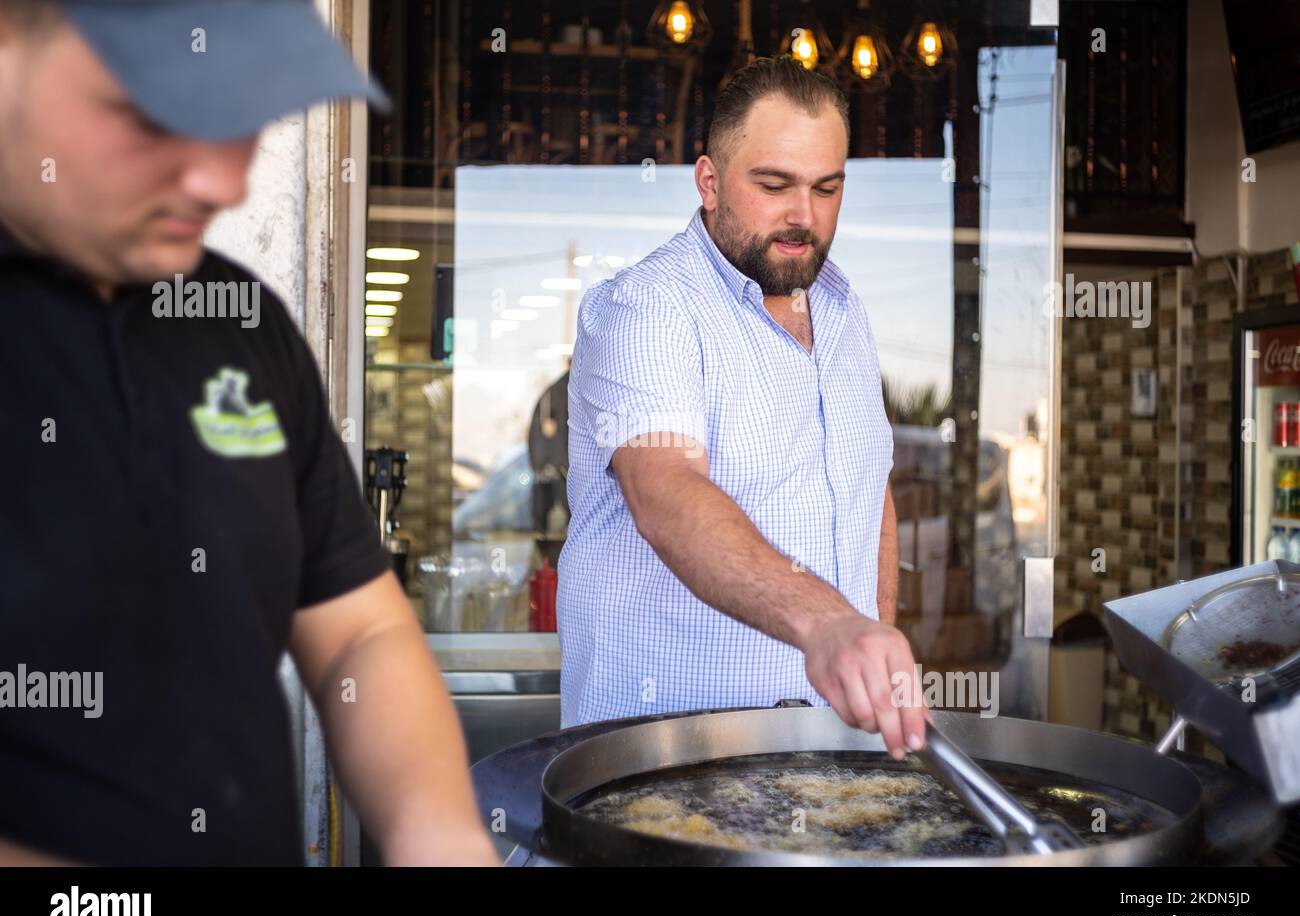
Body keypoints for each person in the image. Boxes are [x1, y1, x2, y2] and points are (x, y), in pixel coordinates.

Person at [0, 0, 496, 865]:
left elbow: (358, 634)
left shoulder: (237, 321)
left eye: (241, 120)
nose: (223, 183)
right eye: (158, 116)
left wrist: (440, 839)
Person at [560, 56, 928, 759]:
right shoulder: (649, 307)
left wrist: (873, 653)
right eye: (774, 185)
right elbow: (667, 492)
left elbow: (866, 494)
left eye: (827, 188)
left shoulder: (845, 312)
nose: (804, 216)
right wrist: (825, 625)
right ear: (708, 181)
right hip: (659, 768)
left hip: (826, 764)